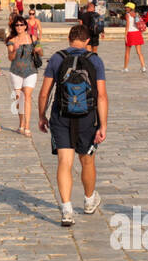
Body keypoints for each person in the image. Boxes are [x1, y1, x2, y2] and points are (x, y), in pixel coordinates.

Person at [38, 24, 107, 227]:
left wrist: (42, 116)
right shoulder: (95, 60)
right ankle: (88, 200)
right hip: (87, 116)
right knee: (87, 160)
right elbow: (101, 95)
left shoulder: (57, 58)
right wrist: (103, 125)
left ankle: (67, 209)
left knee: (64, 162)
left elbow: (44, 93)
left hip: (61, 115)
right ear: (87, 41)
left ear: (69, 39)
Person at [5, 15, 40, 136]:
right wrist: (14, 50)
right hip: (16, 71)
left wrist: (39, 50)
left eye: (21, 25)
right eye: (17, 25)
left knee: (28, 97)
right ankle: (21, 123)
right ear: (14, 27)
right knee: (19, 98)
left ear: (25, 26)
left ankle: (27, 126)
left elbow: (41, 51)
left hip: (31, 70)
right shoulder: (12, 40)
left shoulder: (33, 38)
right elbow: (10, 58)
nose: (19, 27)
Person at [122, 2, 147, 72]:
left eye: (127, 7)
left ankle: (125, 68)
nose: (125, 8)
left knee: (127, 52)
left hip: (130, 33)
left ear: (130, 8)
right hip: (137, 33)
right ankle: (143, 67)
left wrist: (125, 35)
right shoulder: (136, 14)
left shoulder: (127, 15)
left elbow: (127, 25)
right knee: (139, 52)